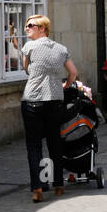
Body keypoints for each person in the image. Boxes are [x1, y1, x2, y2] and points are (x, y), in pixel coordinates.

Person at [21, 15, 77, 202]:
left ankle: (37, 189)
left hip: (33, 100)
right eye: (26, 25)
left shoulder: (29, 47)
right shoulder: (61, 49)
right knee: (54, 141)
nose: (26, 28)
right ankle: (59, 185)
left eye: (30, 25)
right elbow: (73, 72)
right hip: (54, 100)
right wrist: (66, 85)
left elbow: (26, 69)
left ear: (42, 28)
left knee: (34, 144)